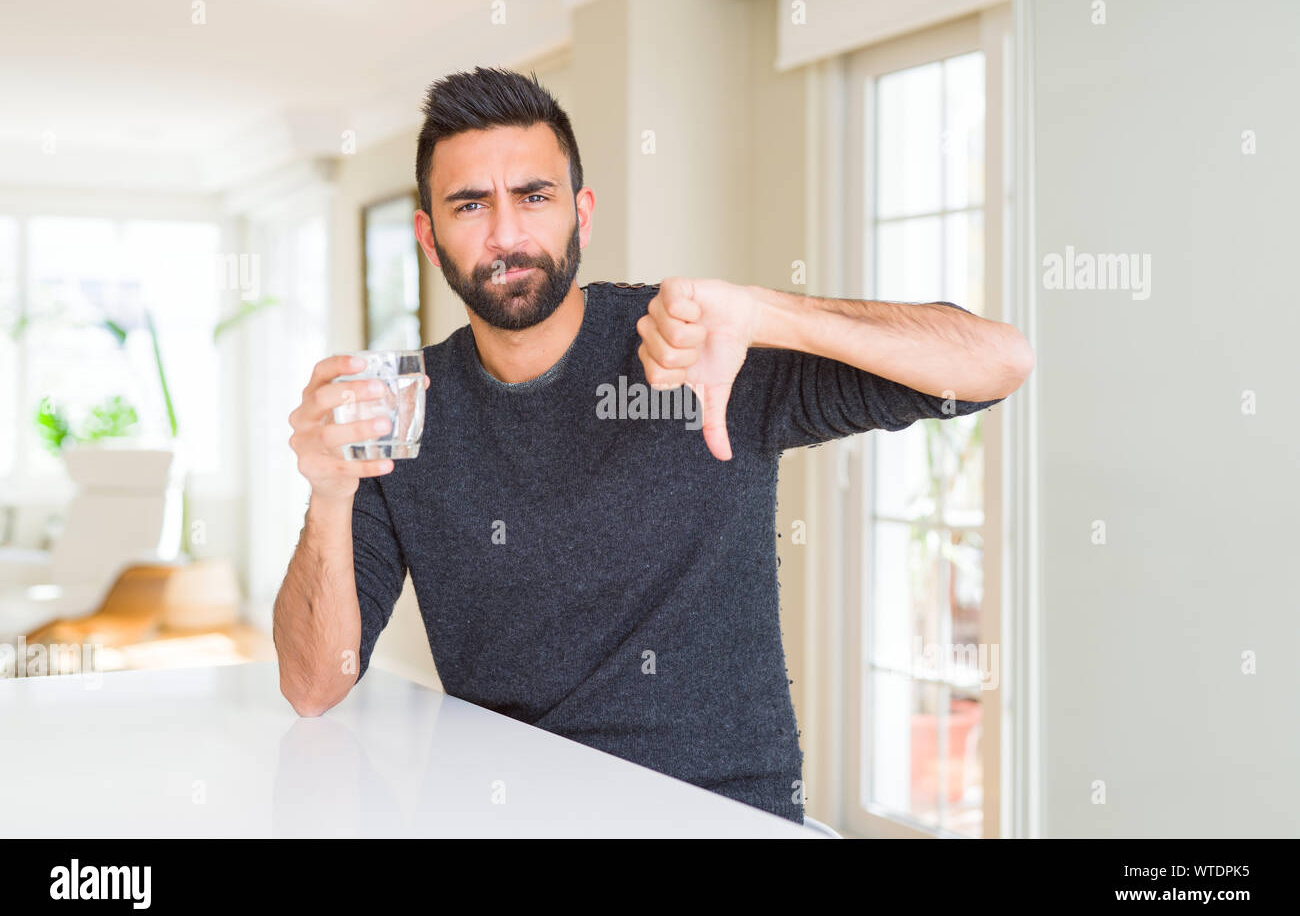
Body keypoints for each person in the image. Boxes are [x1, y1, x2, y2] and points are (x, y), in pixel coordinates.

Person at [276, 66, 1034, 826]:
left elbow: (999, 362)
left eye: (534, 197)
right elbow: (314, 684)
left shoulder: (705, 349)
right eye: (470, 205)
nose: (506, 234)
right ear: (429, 237)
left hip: (724, 815)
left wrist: (772, 315)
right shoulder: (404, 413)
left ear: (582, 213)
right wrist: (330, 494)